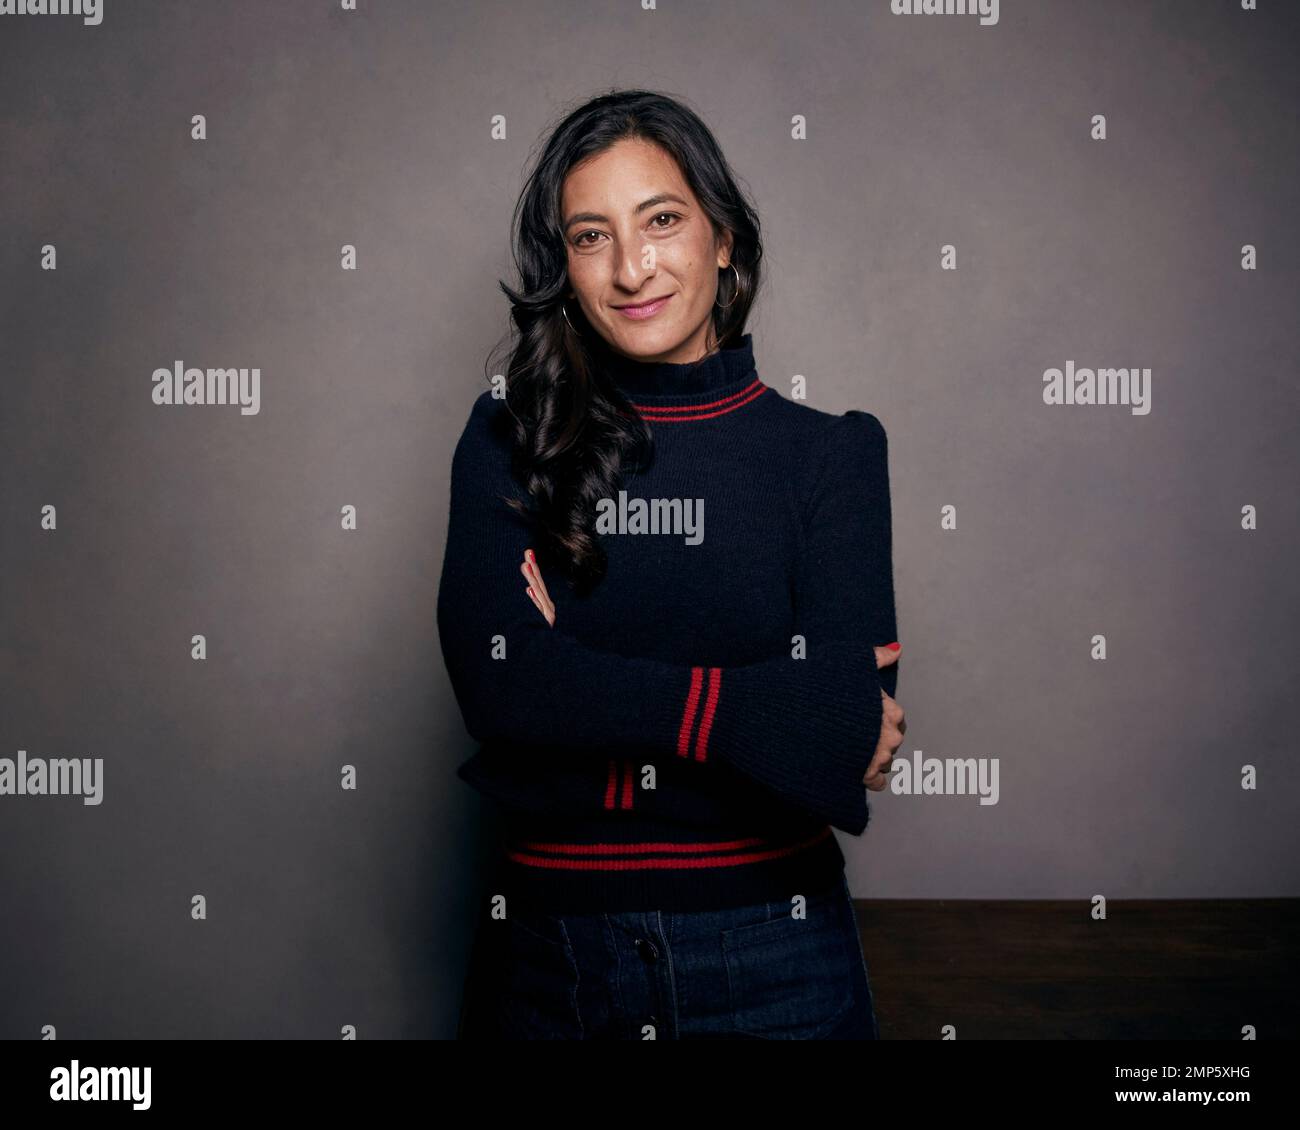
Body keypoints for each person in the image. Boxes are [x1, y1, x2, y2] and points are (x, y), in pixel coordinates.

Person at [436, 89, 905, 1039]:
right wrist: (758, 707)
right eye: (589, 235)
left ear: (722, 238)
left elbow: (844, 735)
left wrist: (578, 674)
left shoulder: (831, 455)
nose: (631, 267)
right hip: (550, 957)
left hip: (779, 954)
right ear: (563, 266)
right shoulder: (508, 441)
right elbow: (501, 688)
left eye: (661, 220)